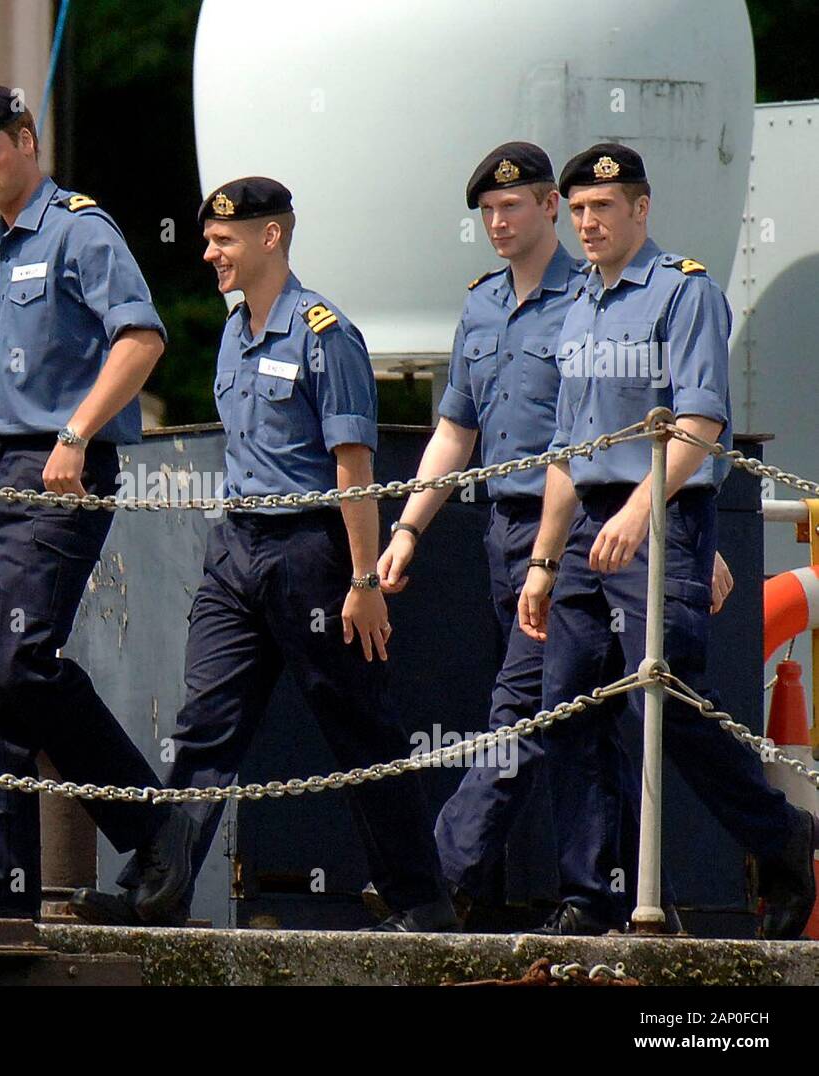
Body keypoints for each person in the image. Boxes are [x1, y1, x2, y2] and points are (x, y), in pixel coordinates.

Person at [69, 177, 458, 931]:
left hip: (311, 551)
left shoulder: (324, 333)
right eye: (208, 237)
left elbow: (353, 466)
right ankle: (160, 890)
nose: (209, 251)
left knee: (359, 728)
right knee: (204, 725)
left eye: (223, 239)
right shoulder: (231, 330)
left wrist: (362, 578)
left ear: (270, 237)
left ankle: (422, 898)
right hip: (237, 548)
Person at [368, 143, 727, 930]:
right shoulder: (483, 306)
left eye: (513, 207)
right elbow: (454, 432)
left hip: (579, 532)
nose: (497, 222)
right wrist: (407, 529)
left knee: (528, 714)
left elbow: (647, 421)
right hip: (512, 533)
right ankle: (584, 893)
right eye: (487, 212)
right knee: (565, 724)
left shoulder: (595, 293)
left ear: (550, 211)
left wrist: (689, 535)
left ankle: (443, 875)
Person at [517, 142, 816, 937]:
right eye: (577, 209)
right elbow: (567, 451)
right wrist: (544, 563)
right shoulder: (575, 302)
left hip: (655, 515)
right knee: (569, 712)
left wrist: (645, 514)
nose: (587, 222)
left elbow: (700, 424)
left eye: (603, 208)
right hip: (588, 522)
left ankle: (782, 840)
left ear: (639, 210)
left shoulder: (683, 292)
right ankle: (590, 896)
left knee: (671, 704)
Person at [0, 85, 181, 918]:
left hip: (62, 473)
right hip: (2, 467)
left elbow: (141, 339)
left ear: (28, 143)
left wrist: (74, 435)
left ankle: (153, 832)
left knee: (23, 668)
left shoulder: (79, 228)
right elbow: (4, 374)